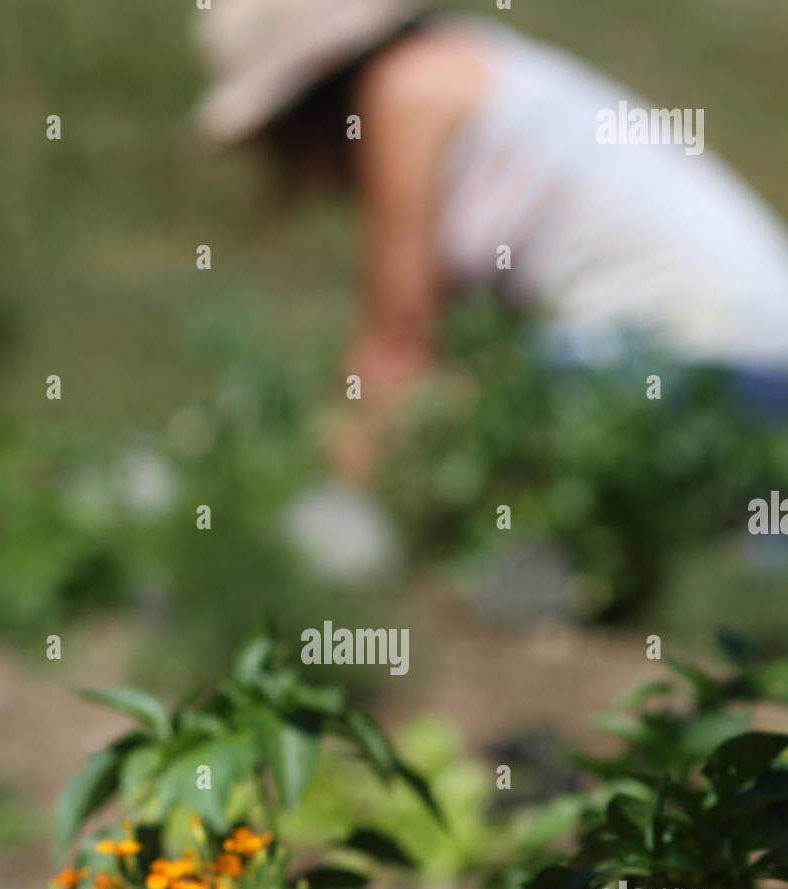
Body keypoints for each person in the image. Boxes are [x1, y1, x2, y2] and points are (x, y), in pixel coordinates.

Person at [193, 0, 788, 579]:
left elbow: (398, 346)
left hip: (680, 364)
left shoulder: (406, 87)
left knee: (478, 448)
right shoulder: (468, 58)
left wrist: (328, 514)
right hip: (756, 369)